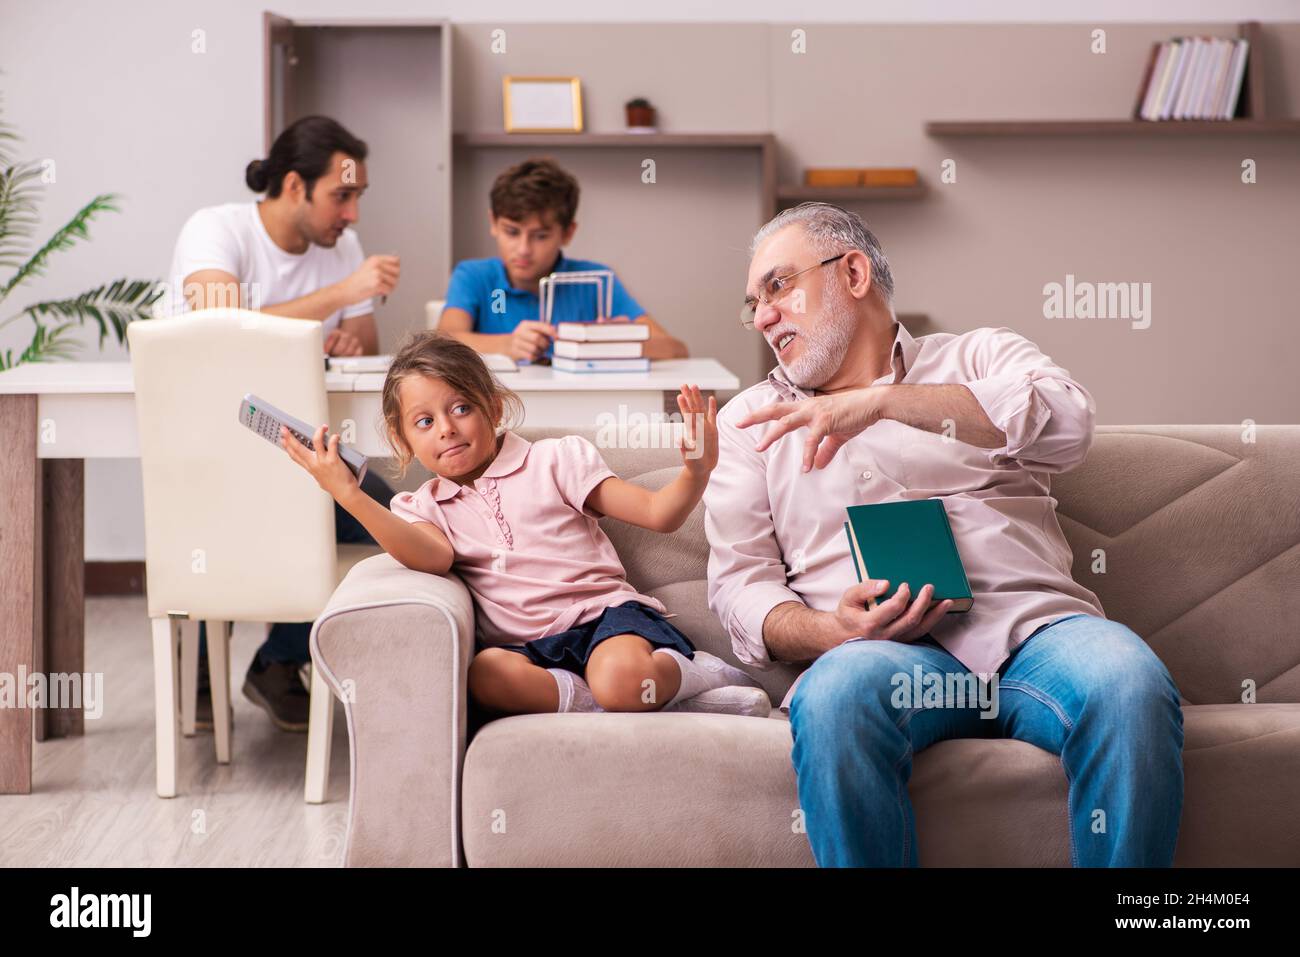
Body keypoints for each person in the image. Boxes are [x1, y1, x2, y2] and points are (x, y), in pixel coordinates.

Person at [704, 202, 1185, 866]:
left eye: (779, 286)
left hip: (1036, 638)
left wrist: (882, 402)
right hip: (884, 659)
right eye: (753, 302)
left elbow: (1070, 423)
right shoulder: (750, 421)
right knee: (835, 695)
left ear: (852, 272)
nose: (762, 316)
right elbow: (738, 588)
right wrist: (834, 632)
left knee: (1128, 681)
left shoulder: (980, 354)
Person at [281, 331, 768, 718]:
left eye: (460, 408)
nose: (447, 428)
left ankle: (700, 680)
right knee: (484, 676)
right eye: (424, 422)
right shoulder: (423, 506)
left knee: (621, 678)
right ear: (401, 436)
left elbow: (660, 515)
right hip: (527, 649)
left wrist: (695, 471)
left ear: (493, 408)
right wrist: (347, 492)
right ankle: (608, 699)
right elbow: (432, 557)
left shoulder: (555, 460)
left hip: (605, 622)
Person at [165, 114, 401, 731]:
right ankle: (209, 664)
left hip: (301, 455)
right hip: (205, 457)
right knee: (364, 512)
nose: (351, 214)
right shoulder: (217, 229)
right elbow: (216, 321)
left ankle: (276, 659)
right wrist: (340, 293)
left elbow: (363, 339)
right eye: (341, 196)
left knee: (396, 519)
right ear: (294, 186)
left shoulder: (338, 246)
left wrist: (349, 329)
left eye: (358, 198)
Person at [438, 158, 688, 363]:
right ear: (493, 223)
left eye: (541, 236)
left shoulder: (595, 280)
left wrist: (615, 342)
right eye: (512, 232)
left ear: (568, 233)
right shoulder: (474, 276)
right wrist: (506, 344)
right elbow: (442, 340)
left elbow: (675, 349)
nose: (523, 249)